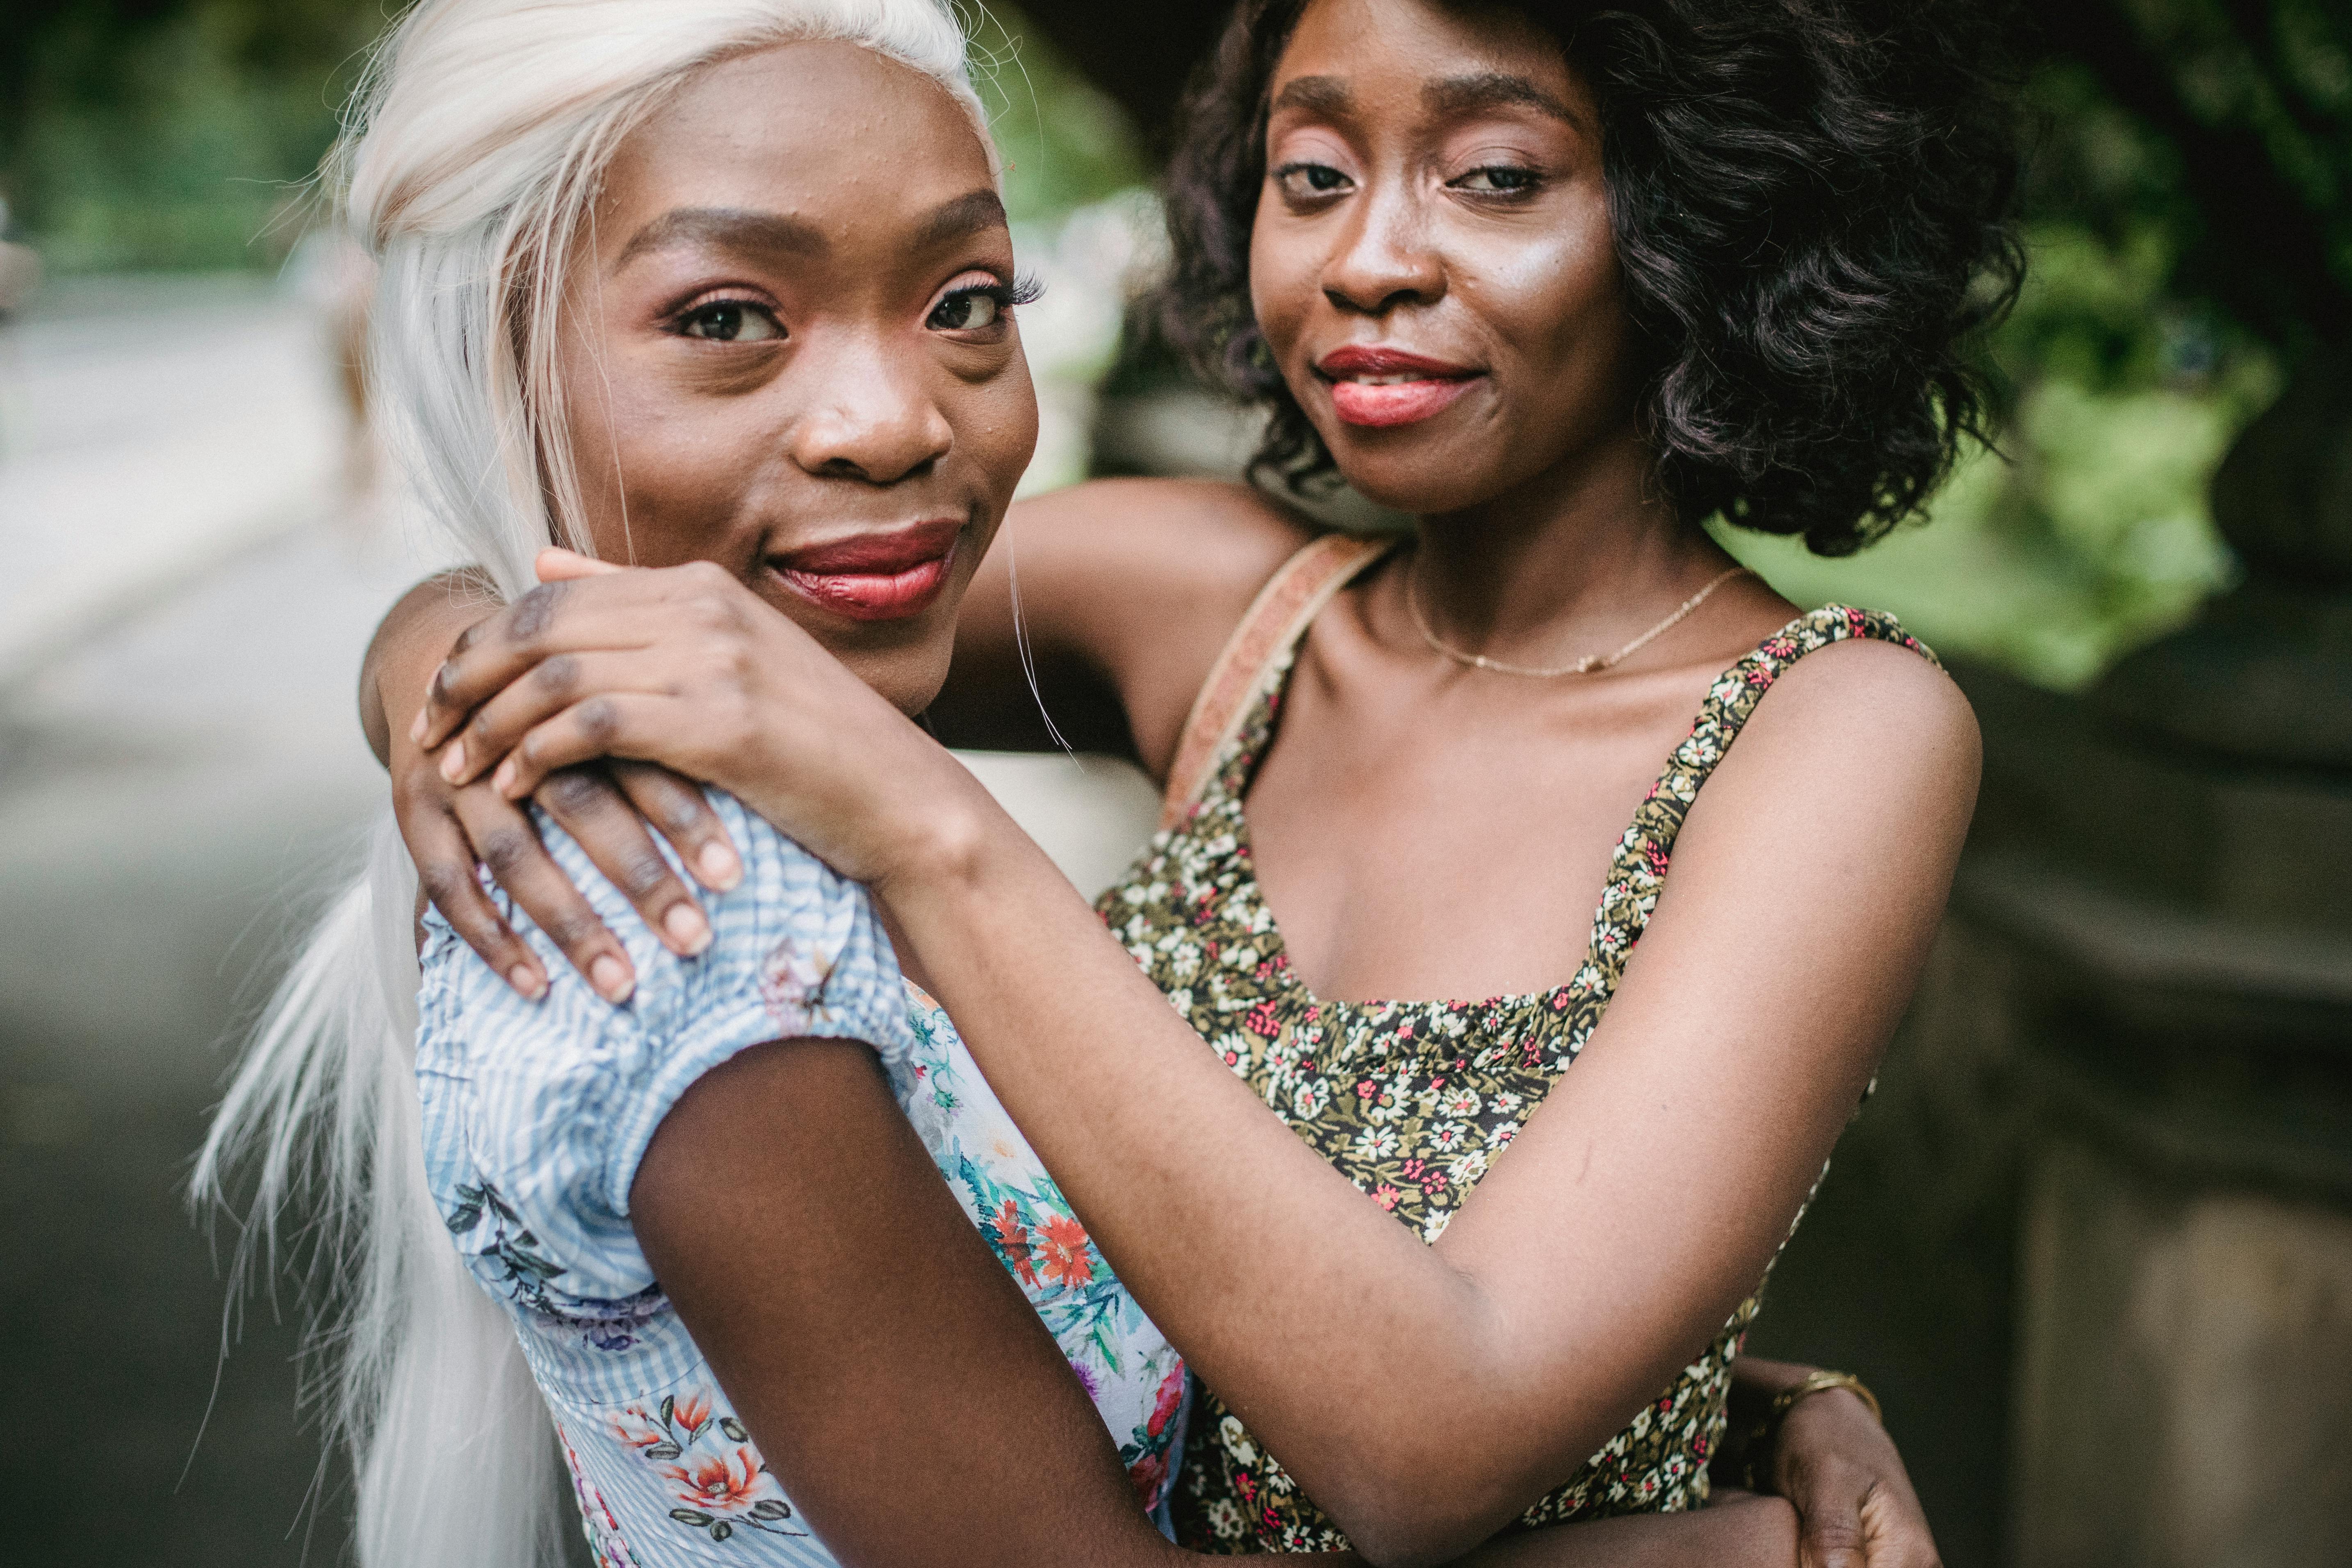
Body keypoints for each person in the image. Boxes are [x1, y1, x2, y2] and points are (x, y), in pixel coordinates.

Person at [369, 0, 2019, 1561]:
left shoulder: (1828, 732)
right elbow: (721, 572)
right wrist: (446, 653)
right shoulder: (1218, 607)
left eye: (1496, 177)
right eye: (1313, 178)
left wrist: (1732, 1405)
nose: (1367, 258)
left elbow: (1439, 1436)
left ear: (1701, 213)